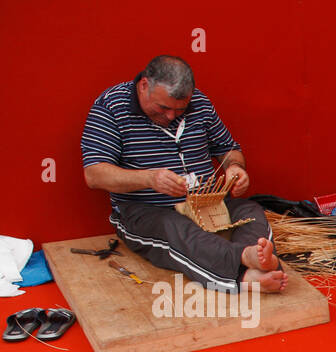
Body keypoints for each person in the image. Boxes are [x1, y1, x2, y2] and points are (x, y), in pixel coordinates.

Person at [81, 55, 287, 293]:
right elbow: (94, 174)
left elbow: (229, 149)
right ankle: (244, 273)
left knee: (250, 210)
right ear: (144, 85)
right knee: (176, 228)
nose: (171, 116)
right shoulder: (111, 106)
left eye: (180, 109)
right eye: (163, 107)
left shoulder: (199, 102)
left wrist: (236, 168)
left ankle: (252, 257)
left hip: (208, 205)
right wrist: (149, 178)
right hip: (147, 212)